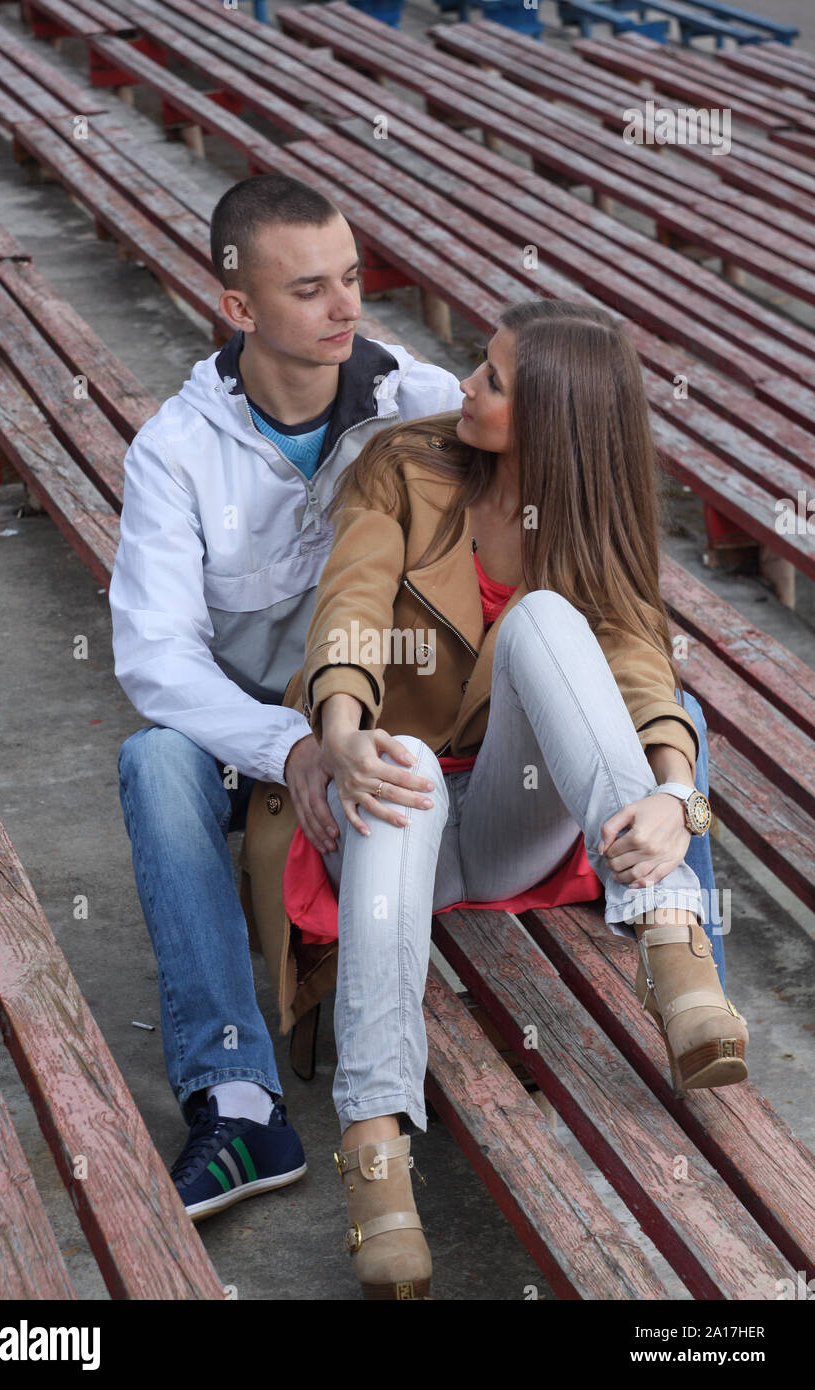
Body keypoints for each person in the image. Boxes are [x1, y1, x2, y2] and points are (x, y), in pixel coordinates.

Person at [277, 299, 749, 1299]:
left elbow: (633, 663)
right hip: (384, 808)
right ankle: (374, 1148)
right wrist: (341, 729)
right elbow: (352, 600)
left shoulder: (586, 517)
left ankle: (668, 936)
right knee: (402, 754)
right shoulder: (401, 466)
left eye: (490, 380)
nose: (463, 387)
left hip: (501, 817)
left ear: (551, 420)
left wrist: (675, 795)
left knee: (547, 617)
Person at [109, 173, 464, 1220]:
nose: (346, 308)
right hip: (249, 730)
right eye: (309, 290)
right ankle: (238, 1101)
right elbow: (158, 662)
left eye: (352, 278)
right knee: (153, 757)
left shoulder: (419, 400)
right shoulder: (176, 450)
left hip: (391, 717)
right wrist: (289, 744)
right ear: (237, 308)